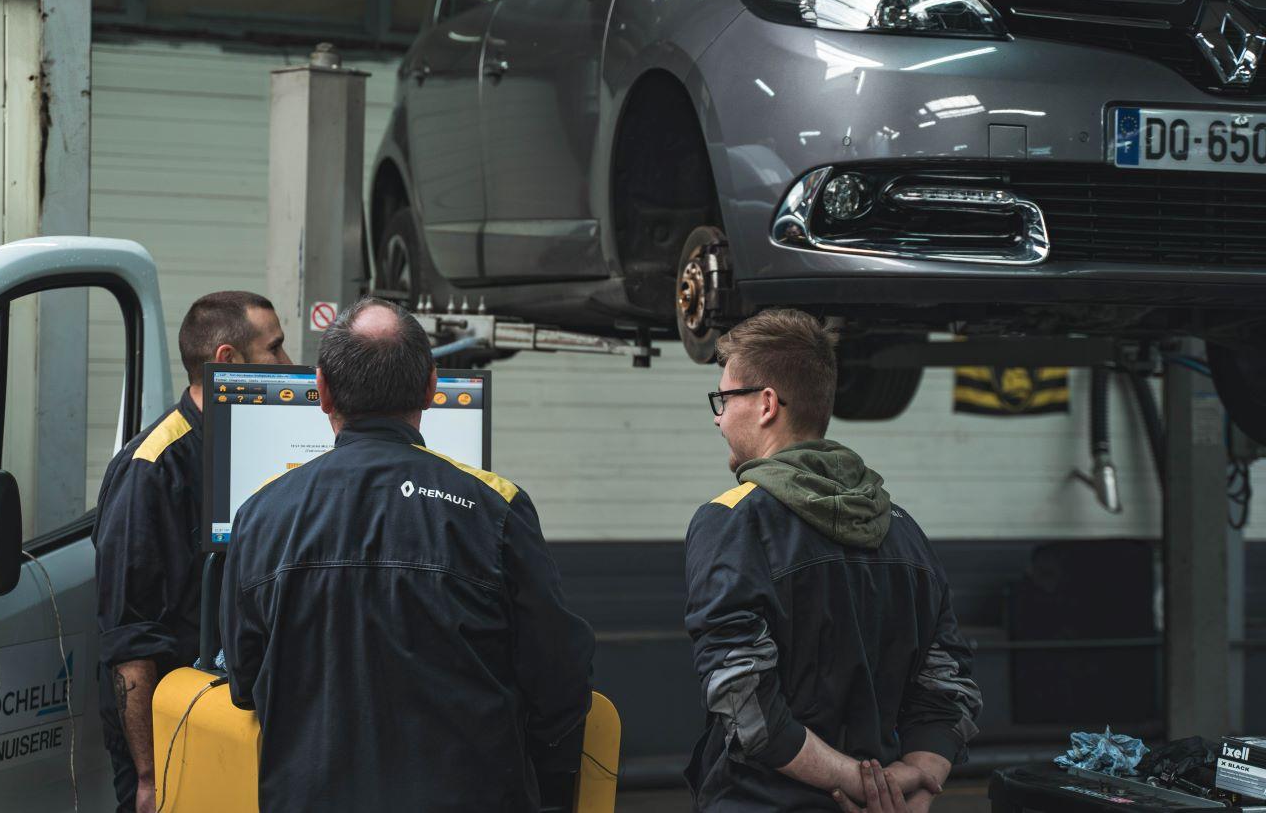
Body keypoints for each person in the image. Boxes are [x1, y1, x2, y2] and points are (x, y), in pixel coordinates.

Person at [220, 297, 595, 812]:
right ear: (431, 387)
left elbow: (244, 684)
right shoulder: (496, 508)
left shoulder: (260, 514)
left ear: (322, 390)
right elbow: (558, 676)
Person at [683, 309, 983, 812]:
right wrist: (915, 780)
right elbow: (948, 680)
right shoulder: (903, 529)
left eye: (724, 399)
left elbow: (742, 696)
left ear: (766, 404)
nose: (718, 417)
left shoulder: (732, 521)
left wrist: (857, 782)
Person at [93, 290, 290, 813]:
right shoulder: (153, 469)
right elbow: (130, 639)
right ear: (229, 360)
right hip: (174, 733)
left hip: (240, 722)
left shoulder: (259, 448)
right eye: (274, 348)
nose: (290, 363)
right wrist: (149, 776)